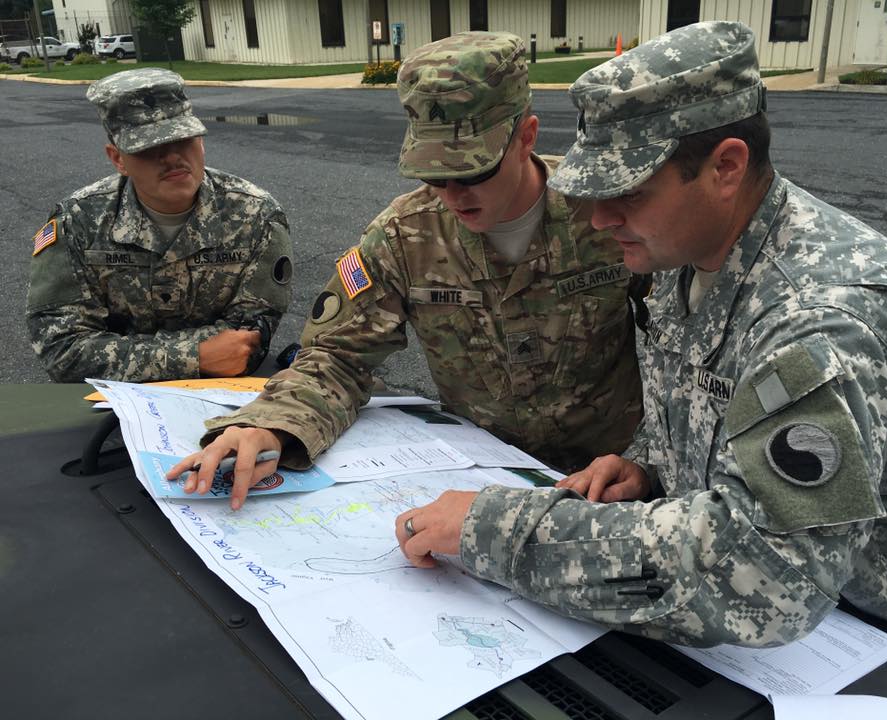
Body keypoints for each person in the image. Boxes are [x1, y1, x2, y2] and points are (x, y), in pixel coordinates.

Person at [392, 21, 887, 654]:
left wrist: (490, 528)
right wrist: (651, 469)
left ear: (726, 167)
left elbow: (770, 576)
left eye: (627, 192)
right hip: (802, 631)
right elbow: (710, 414)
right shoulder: (687, 250)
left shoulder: (823, 322)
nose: (601, 219)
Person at [169, 31, 643, 506]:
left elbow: (685, 358)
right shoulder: (406, 235)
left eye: (473, 171)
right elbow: (338, 356)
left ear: (527, 137)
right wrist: (269, 425)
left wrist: (647, 461)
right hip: (484, 482)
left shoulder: (610, 215)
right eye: (434, 173)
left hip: (617, 485)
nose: (453, 195)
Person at [27, 68, 293, 382]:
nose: (172, 157)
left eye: (183, 139)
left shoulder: (255, 215)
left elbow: (246, 345)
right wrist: (194, 357)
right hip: (110, 401)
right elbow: (61, 348)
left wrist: (123, 355)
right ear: (117, 159)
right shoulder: (78, 221)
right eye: (148, 147)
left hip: (223, 393)